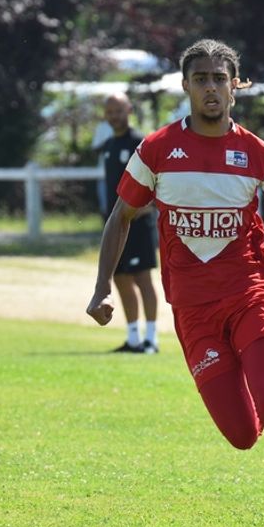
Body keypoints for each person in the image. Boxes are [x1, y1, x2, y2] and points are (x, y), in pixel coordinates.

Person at [86, 38, 264, 527]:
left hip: (252, 296)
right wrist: (102, 287)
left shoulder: (258, 154)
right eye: (201, 79)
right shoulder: (155, 150)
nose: (211, 88)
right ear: (186, 86)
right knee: (243, 434)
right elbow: (121, 217)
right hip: (193, 313)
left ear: (234, 87)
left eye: (220, 79)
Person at [98, 92, 161, 354]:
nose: (114, 116)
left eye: (119, 111)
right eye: (110, 112)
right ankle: (133, 338)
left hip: (138, 226)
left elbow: (159, 180)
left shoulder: (141, 143)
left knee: (142, 278)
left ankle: (151, 339)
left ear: (129, 110)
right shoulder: (109, 146)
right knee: (121, 277)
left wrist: (148, 207)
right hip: (117, 225)